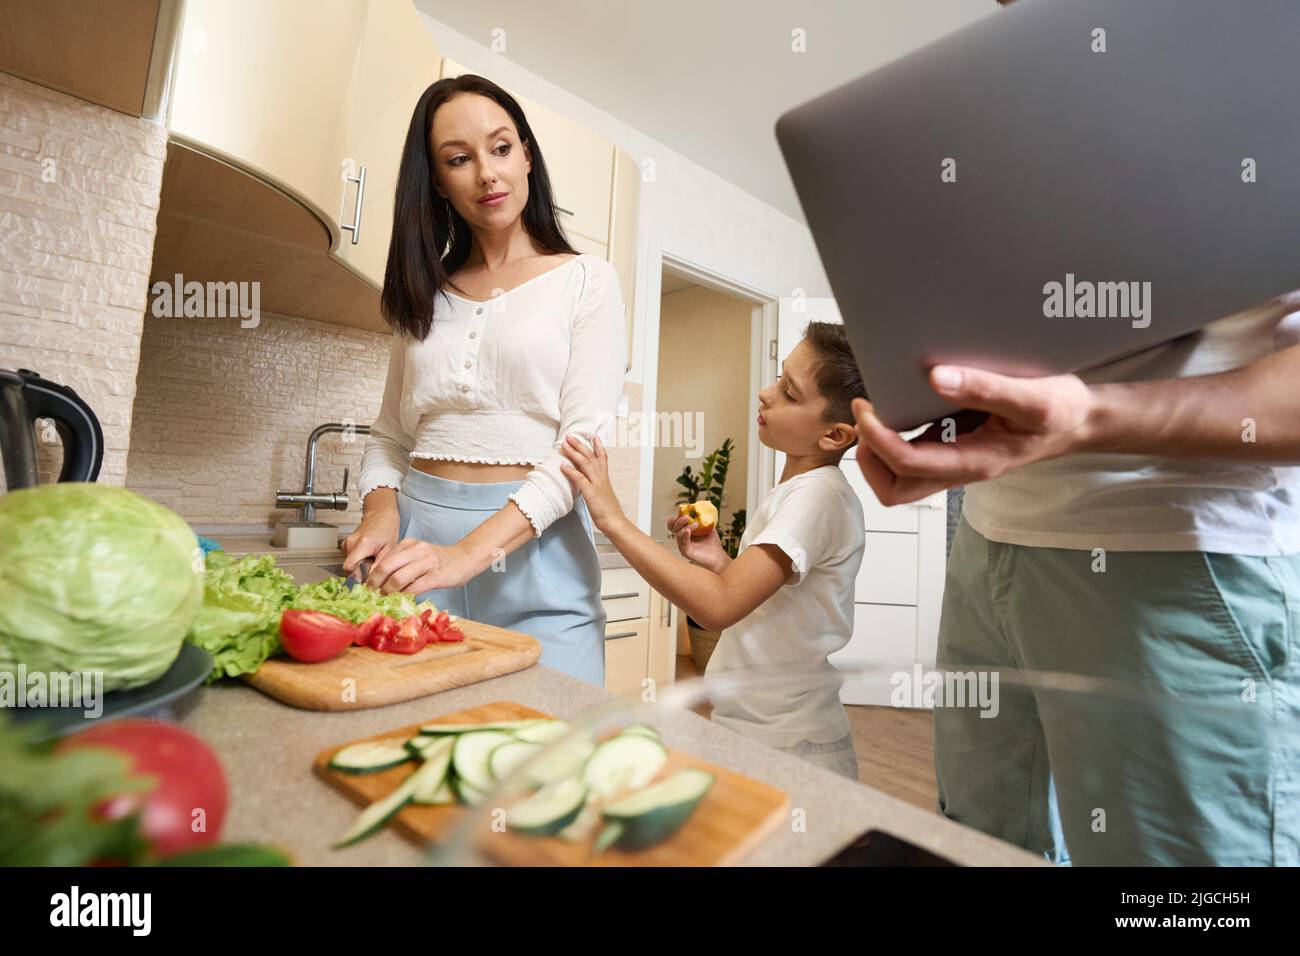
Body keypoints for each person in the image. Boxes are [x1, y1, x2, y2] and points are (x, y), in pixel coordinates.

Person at [851, 291, 1300, 865]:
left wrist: (1091, 416)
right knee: (978, 841)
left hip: (1180, 554)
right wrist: (944, 422)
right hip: (990, 538)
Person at [342, 74, 626, 686]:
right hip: (415, 561)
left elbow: (582, 452)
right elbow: (391, 436)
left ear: (527, 154)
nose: (487, 174)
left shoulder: (587, 281)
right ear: (437, 182)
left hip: (536, 562)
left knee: (551, 757)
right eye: (458, 160)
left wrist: (467, 556)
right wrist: (380, 514)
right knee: (422, 755)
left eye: (500, 148)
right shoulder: (424, 294)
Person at [560, 322, 868, 780]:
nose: (766, 394)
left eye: (788, 392)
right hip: (759, 731)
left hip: (793, 749)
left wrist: (614, 520)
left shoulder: (818, 498)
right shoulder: (800, 490)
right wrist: (723, 563)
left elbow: (720, 606)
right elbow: (757, 599)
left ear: (835, 436)